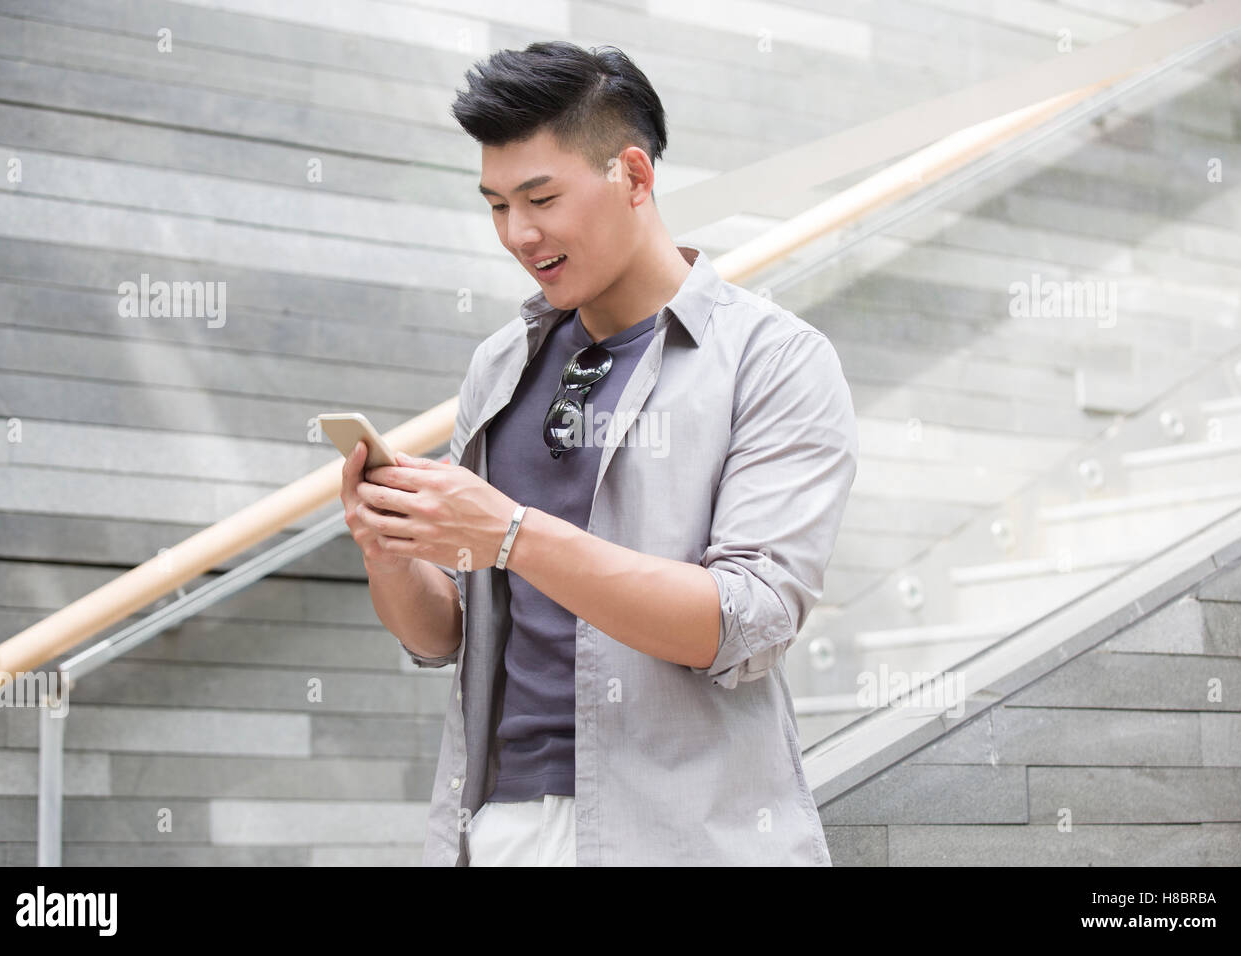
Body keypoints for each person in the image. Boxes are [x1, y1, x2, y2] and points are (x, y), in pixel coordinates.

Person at [340, 40, 858, 865]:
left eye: (541, 197)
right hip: (498, 826)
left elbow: (747, 623)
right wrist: (390, 551)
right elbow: (447, 638)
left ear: (635, 178)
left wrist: (512, 533)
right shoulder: (499, 366)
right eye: (497, 204)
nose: (518, 233)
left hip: (684, 835)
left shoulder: (774, 359)